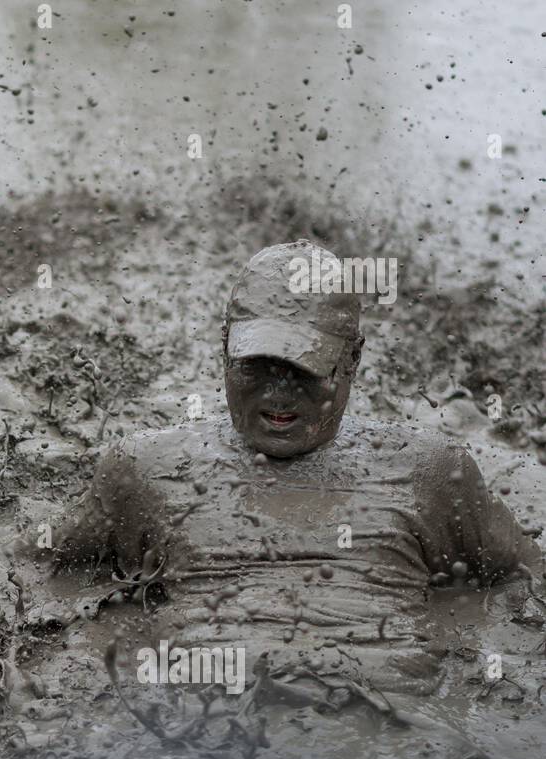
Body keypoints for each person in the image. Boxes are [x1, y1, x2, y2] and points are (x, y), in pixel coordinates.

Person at [44, 239, 543, 697]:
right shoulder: (143, 469)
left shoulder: (430, 472)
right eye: (256, 365)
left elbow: (526, 580)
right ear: (224, 347)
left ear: (353, 358)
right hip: (206, 724)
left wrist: (459, 651)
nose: (279, 393)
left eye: (304, 369)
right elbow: (35, 568)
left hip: (387, 722)